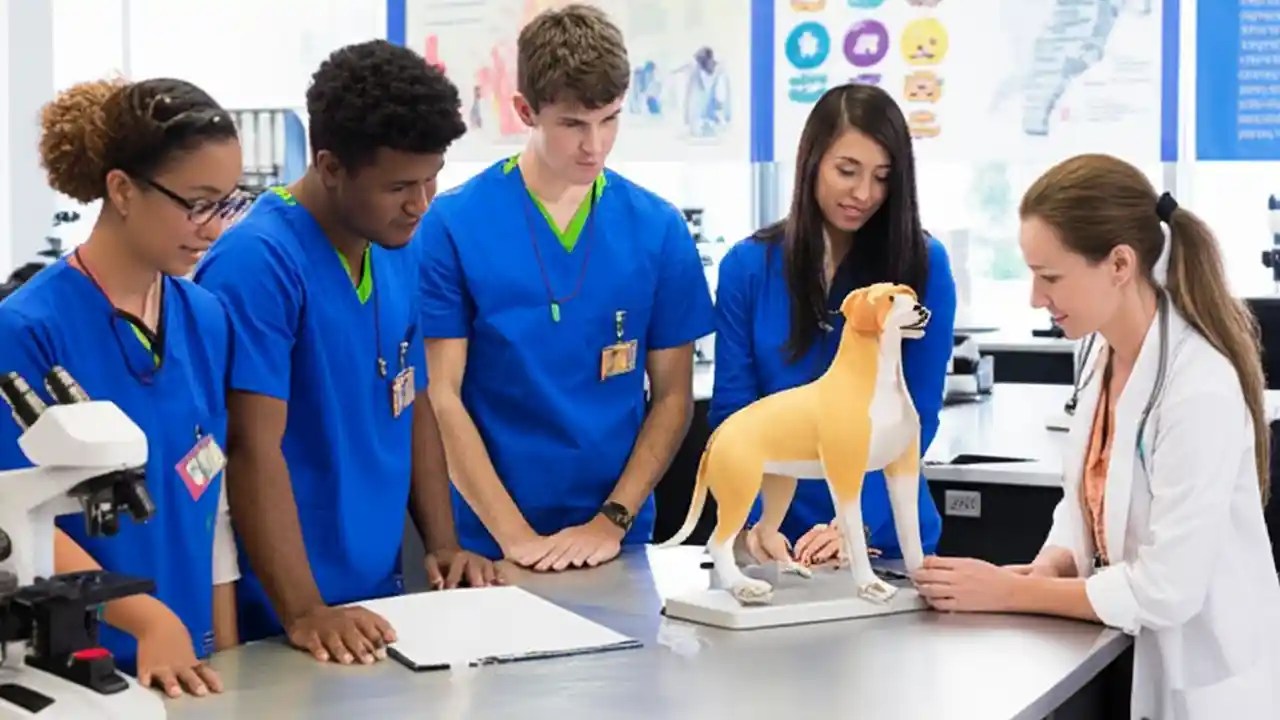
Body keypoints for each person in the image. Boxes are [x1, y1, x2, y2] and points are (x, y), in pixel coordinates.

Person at [913, 153, 1280, 718]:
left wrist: (1012, 592)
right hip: (1132, 658)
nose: (1036, 298)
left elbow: (1167, 590)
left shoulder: (1198, 386)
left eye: (1050, 276)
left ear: (1119, 264)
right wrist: (1053, 563)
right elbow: (1084, 495)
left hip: (1209, 682)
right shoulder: (1097, 352)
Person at [193, 40, 494, 667]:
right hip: (280, 620)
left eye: (432, 177)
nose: (421, 202)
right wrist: (303, 611)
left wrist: (442, 542)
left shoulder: (396, 243)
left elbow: (411, 402)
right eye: (399, 185)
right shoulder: (258, 263)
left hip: (378, 609)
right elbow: (251, 449)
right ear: (330, 167)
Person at [419, 4, 714, 570]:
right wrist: (515, 538)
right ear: (526, 110)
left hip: (617, 540)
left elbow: (673, 398)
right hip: (488, 547)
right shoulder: (454, 225)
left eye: (610, 119)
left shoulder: (658, 229)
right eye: (573, 124)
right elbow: (441, 396)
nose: (595, 145)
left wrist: (613, 520)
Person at [0, 77, 251, 697]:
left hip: (186, 664)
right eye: (195, 203)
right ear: (121, 190)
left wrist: (228, 649)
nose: (213, 228)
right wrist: (145, 619)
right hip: (74, 667)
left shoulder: (205, 317)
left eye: (227, 203)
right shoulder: (28, 329)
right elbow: (16, 518)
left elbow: (208, 493)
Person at [710, 83, 955, 567]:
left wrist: (853, 524)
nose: (864, 194)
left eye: (883, 178)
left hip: (883, 535)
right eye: (847, 171)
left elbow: (916, 417)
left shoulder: (924, 265)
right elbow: (733, 417)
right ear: (811, 162)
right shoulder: (748, 267)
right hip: (776, 539)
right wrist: (759, 521)